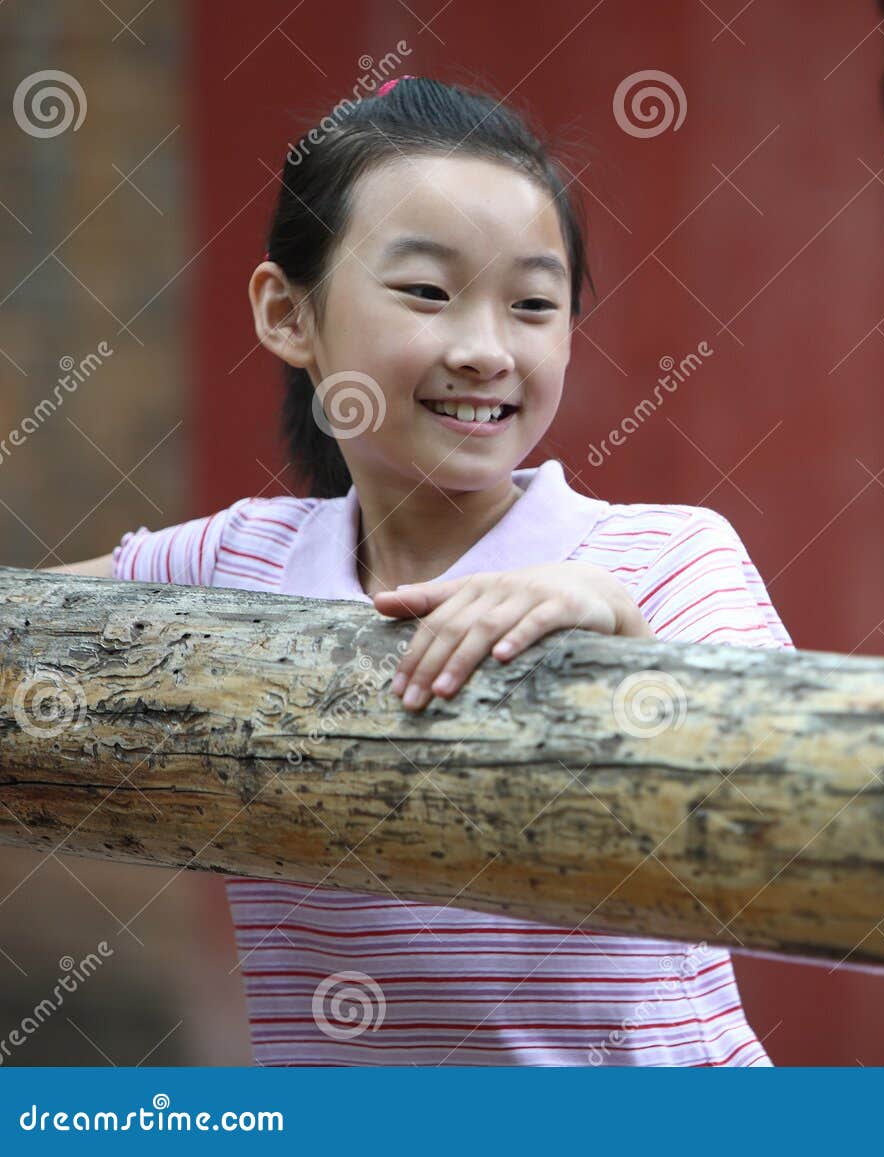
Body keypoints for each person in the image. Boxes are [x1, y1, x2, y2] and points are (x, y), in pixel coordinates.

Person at [47, 75, 790, 1066]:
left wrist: (620, 638)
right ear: (287, 313)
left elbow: (775, 806)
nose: (485, 349)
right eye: (428, 293)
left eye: (532, 303)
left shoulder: (662, 559)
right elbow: (27, 628)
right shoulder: (235, 563)